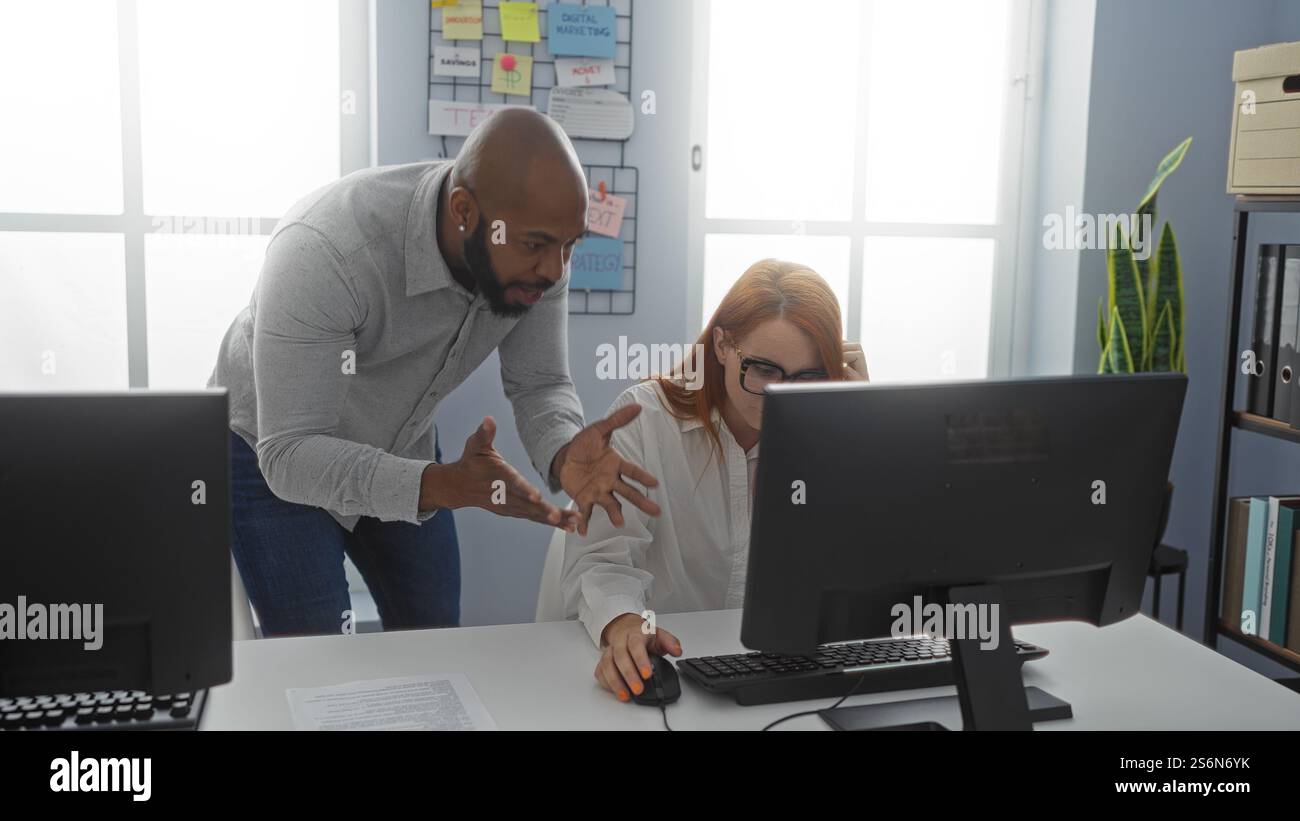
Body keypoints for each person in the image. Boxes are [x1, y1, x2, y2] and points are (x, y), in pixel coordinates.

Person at [210, 109, 660, 637]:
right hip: (274, 450)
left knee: (435, 636)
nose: (556, 271)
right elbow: (291, 453)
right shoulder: (324, 250)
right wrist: (443, 485)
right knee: (317, 652)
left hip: (403, 439)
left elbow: (540, 384)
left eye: (570, 245)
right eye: (537, 246)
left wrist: (564, 451)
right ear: (465, 211)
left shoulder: (540, 254)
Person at [561, 259, 867, 702]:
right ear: (723, 344)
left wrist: (859, 432)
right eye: (764, 370)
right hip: (674, 671)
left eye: (807, 376)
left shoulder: (827, 434)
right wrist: (624, 623)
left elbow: (861, 577)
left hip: (781, 674)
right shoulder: (644, 421)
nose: (781, 393)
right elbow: (602, 560)